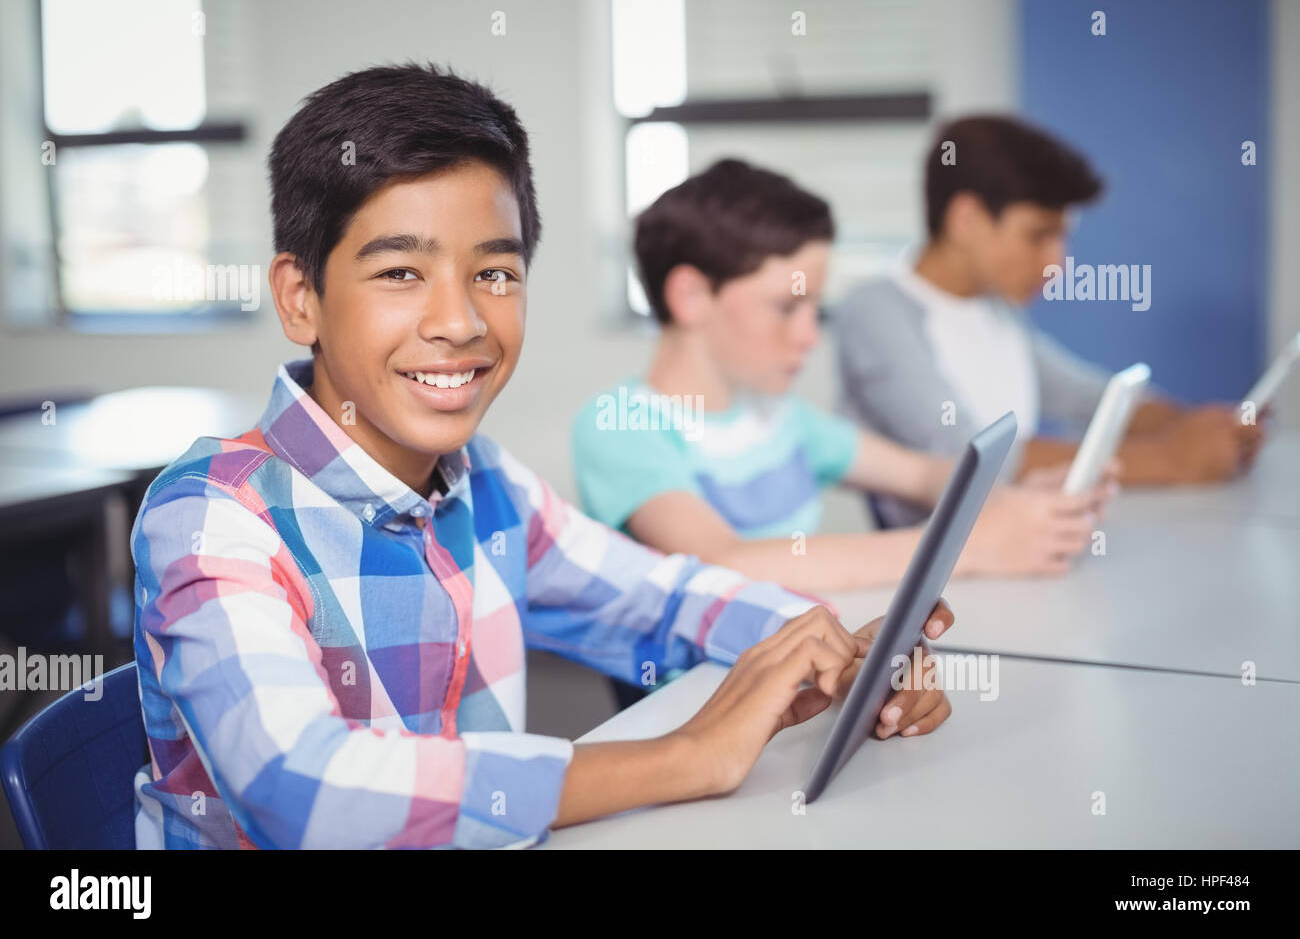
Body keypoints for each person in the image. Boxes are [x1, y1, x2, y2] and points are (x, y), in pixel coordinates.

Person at [129, 64, 954, 850]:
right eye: (401, 272)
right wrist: (687, 755)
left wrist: (831, 649)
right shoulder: (213, 519)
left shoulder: (488, 487)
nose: (460, 320)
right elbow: (303, 791)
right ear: (300, 296)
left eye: (494, 271)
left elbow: (658, 600)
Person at [572, 158, 1107, 599]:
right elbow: (725, 565)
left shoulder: (782, 419)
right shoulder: (619, 426)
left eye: (814, 309)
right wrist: (974, 546)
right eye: (787, 307)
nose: (810, 336)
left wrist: (1009, 502)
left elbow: (922, 475)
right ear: (691, 297)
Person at [832, 115, 1264, 527]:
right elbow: (965, 457)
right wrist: (1172, 461)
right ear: (965, 220)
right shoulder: (875, 311)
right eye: (1038, 235)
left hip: (1027, 546)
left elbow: (1086, 397)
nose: (1057, 264)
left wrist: (1196, 424)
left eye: (1061, 238)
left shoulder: (994, 308)